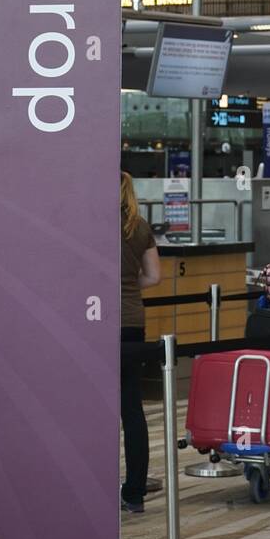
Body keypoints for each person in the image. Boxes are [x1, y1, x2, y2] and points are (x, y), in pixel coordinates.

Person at [121, 171, 161, 514]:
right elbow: (154, 276)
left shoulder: (88, 223)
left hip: (94, 325)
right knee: (131, 408)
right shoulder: (140, 226)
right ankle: (134, 492)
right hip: (133, 323)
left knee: (93, 409)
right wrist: (129, 287)